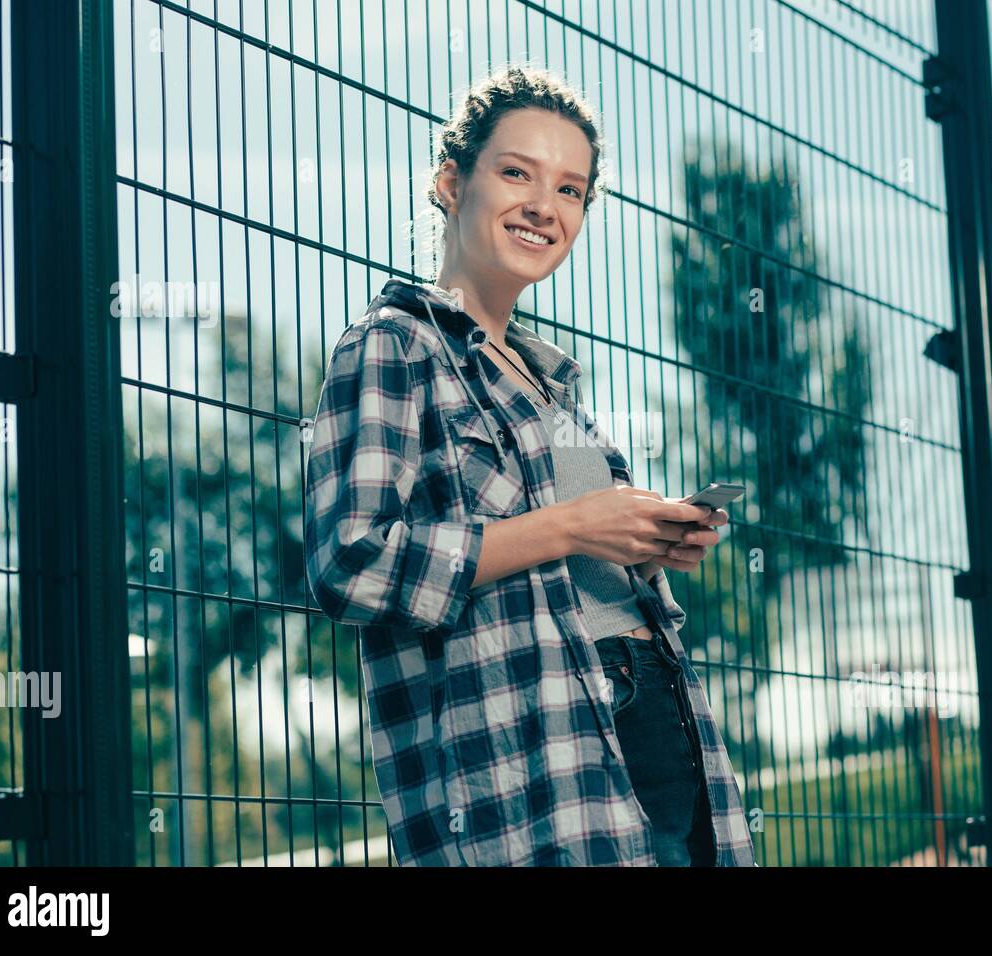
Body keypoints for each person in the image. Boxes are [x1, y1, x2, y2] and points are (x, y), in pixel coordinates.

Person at [303, 63, 757, 867]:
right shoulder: (395, 345)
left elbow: (575, 549)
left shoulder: (553, 385)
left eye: (572, 189)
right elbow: (350, 561)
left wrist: (649, 540)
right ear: (451, 182)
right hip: (528, 754)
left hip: (659, 716)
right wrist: (572, 525)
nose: (546, 206)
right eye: (517, 173)